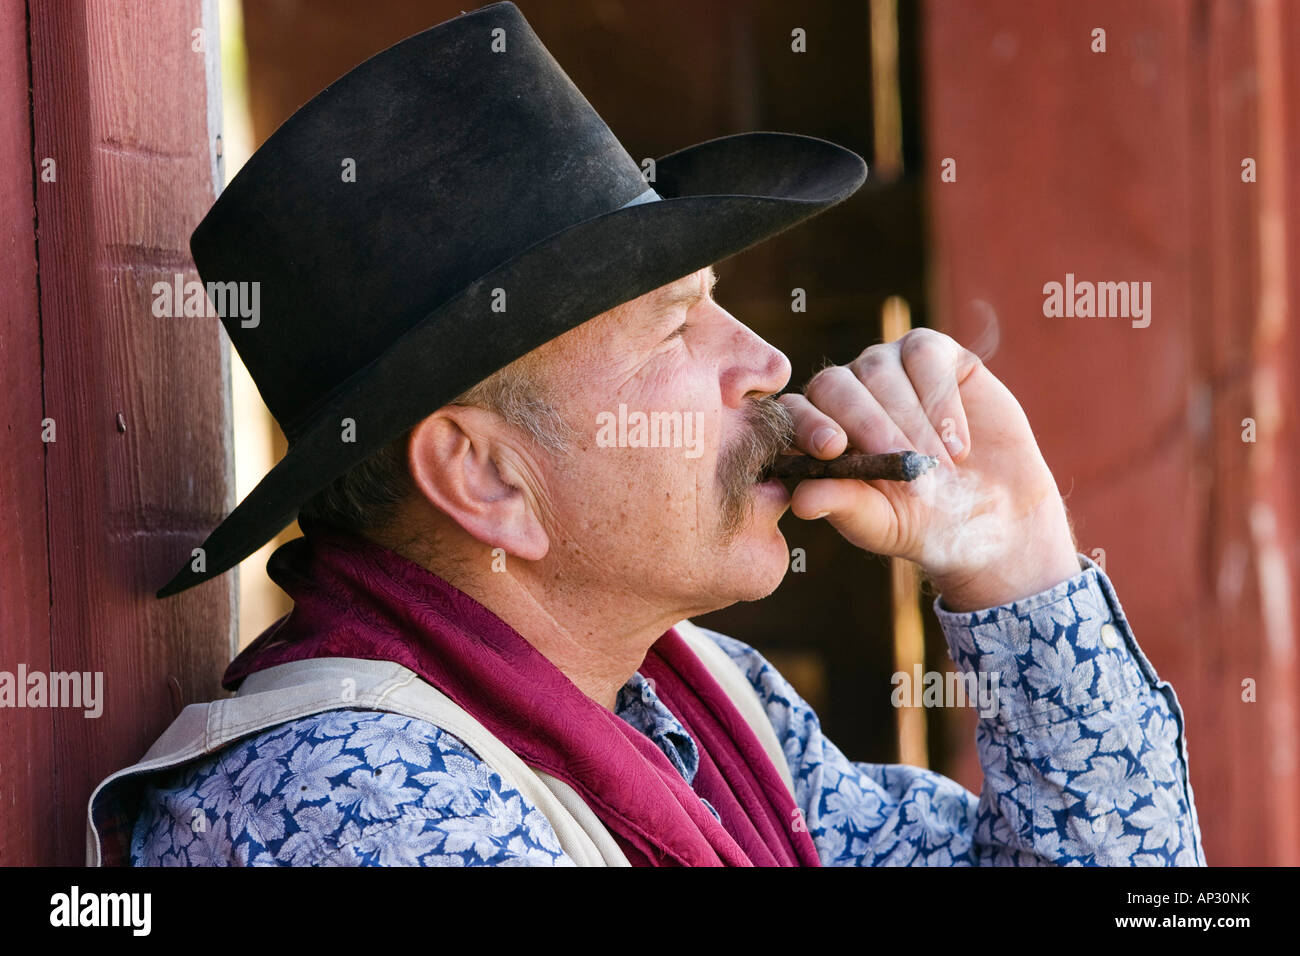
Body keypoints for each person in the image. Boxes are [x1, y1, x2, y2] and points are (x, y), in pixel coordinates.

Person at [86, 2, 1203, 866]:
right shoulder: (355, 804)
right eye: (677, 326)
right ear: (484, 476)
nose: (764, 362)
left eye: (718, 301)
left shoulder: (701, 703)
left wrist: (1018, 565)